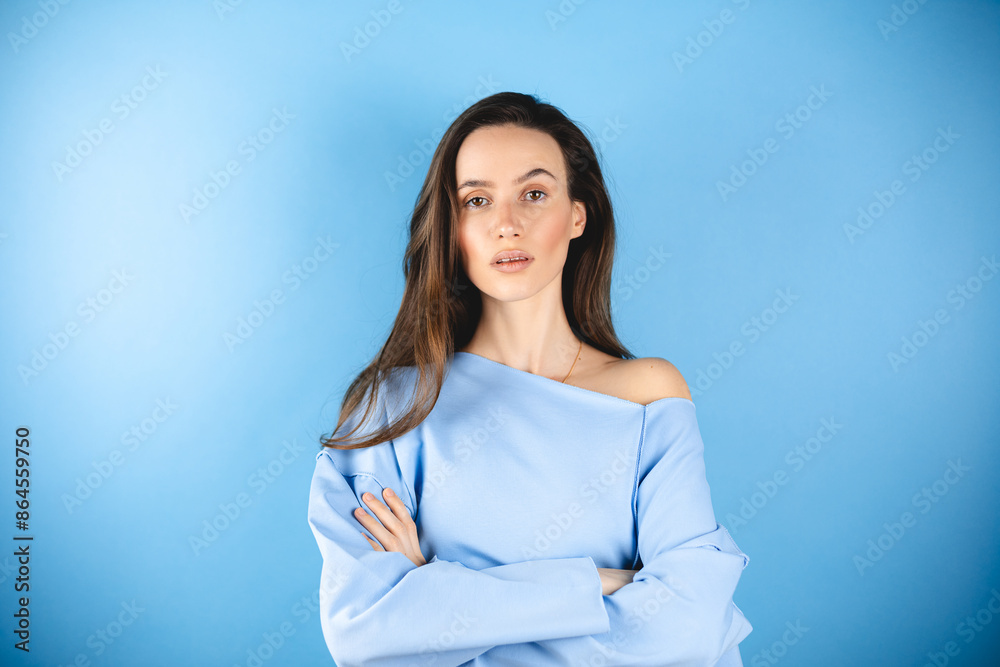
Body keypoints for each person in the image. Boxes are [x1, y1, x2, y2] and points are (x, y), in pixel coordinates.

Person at [307, 91, 753, 666]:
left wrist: (439, 591)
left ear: (577, 215)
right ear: (452, 226)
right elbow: (365, 633)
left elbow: (686, 633)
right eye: (476, 200)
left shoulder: (649, 396)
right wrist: (602, 582)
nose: (506, 225)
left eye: (534, 194)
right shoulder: (391, 410)